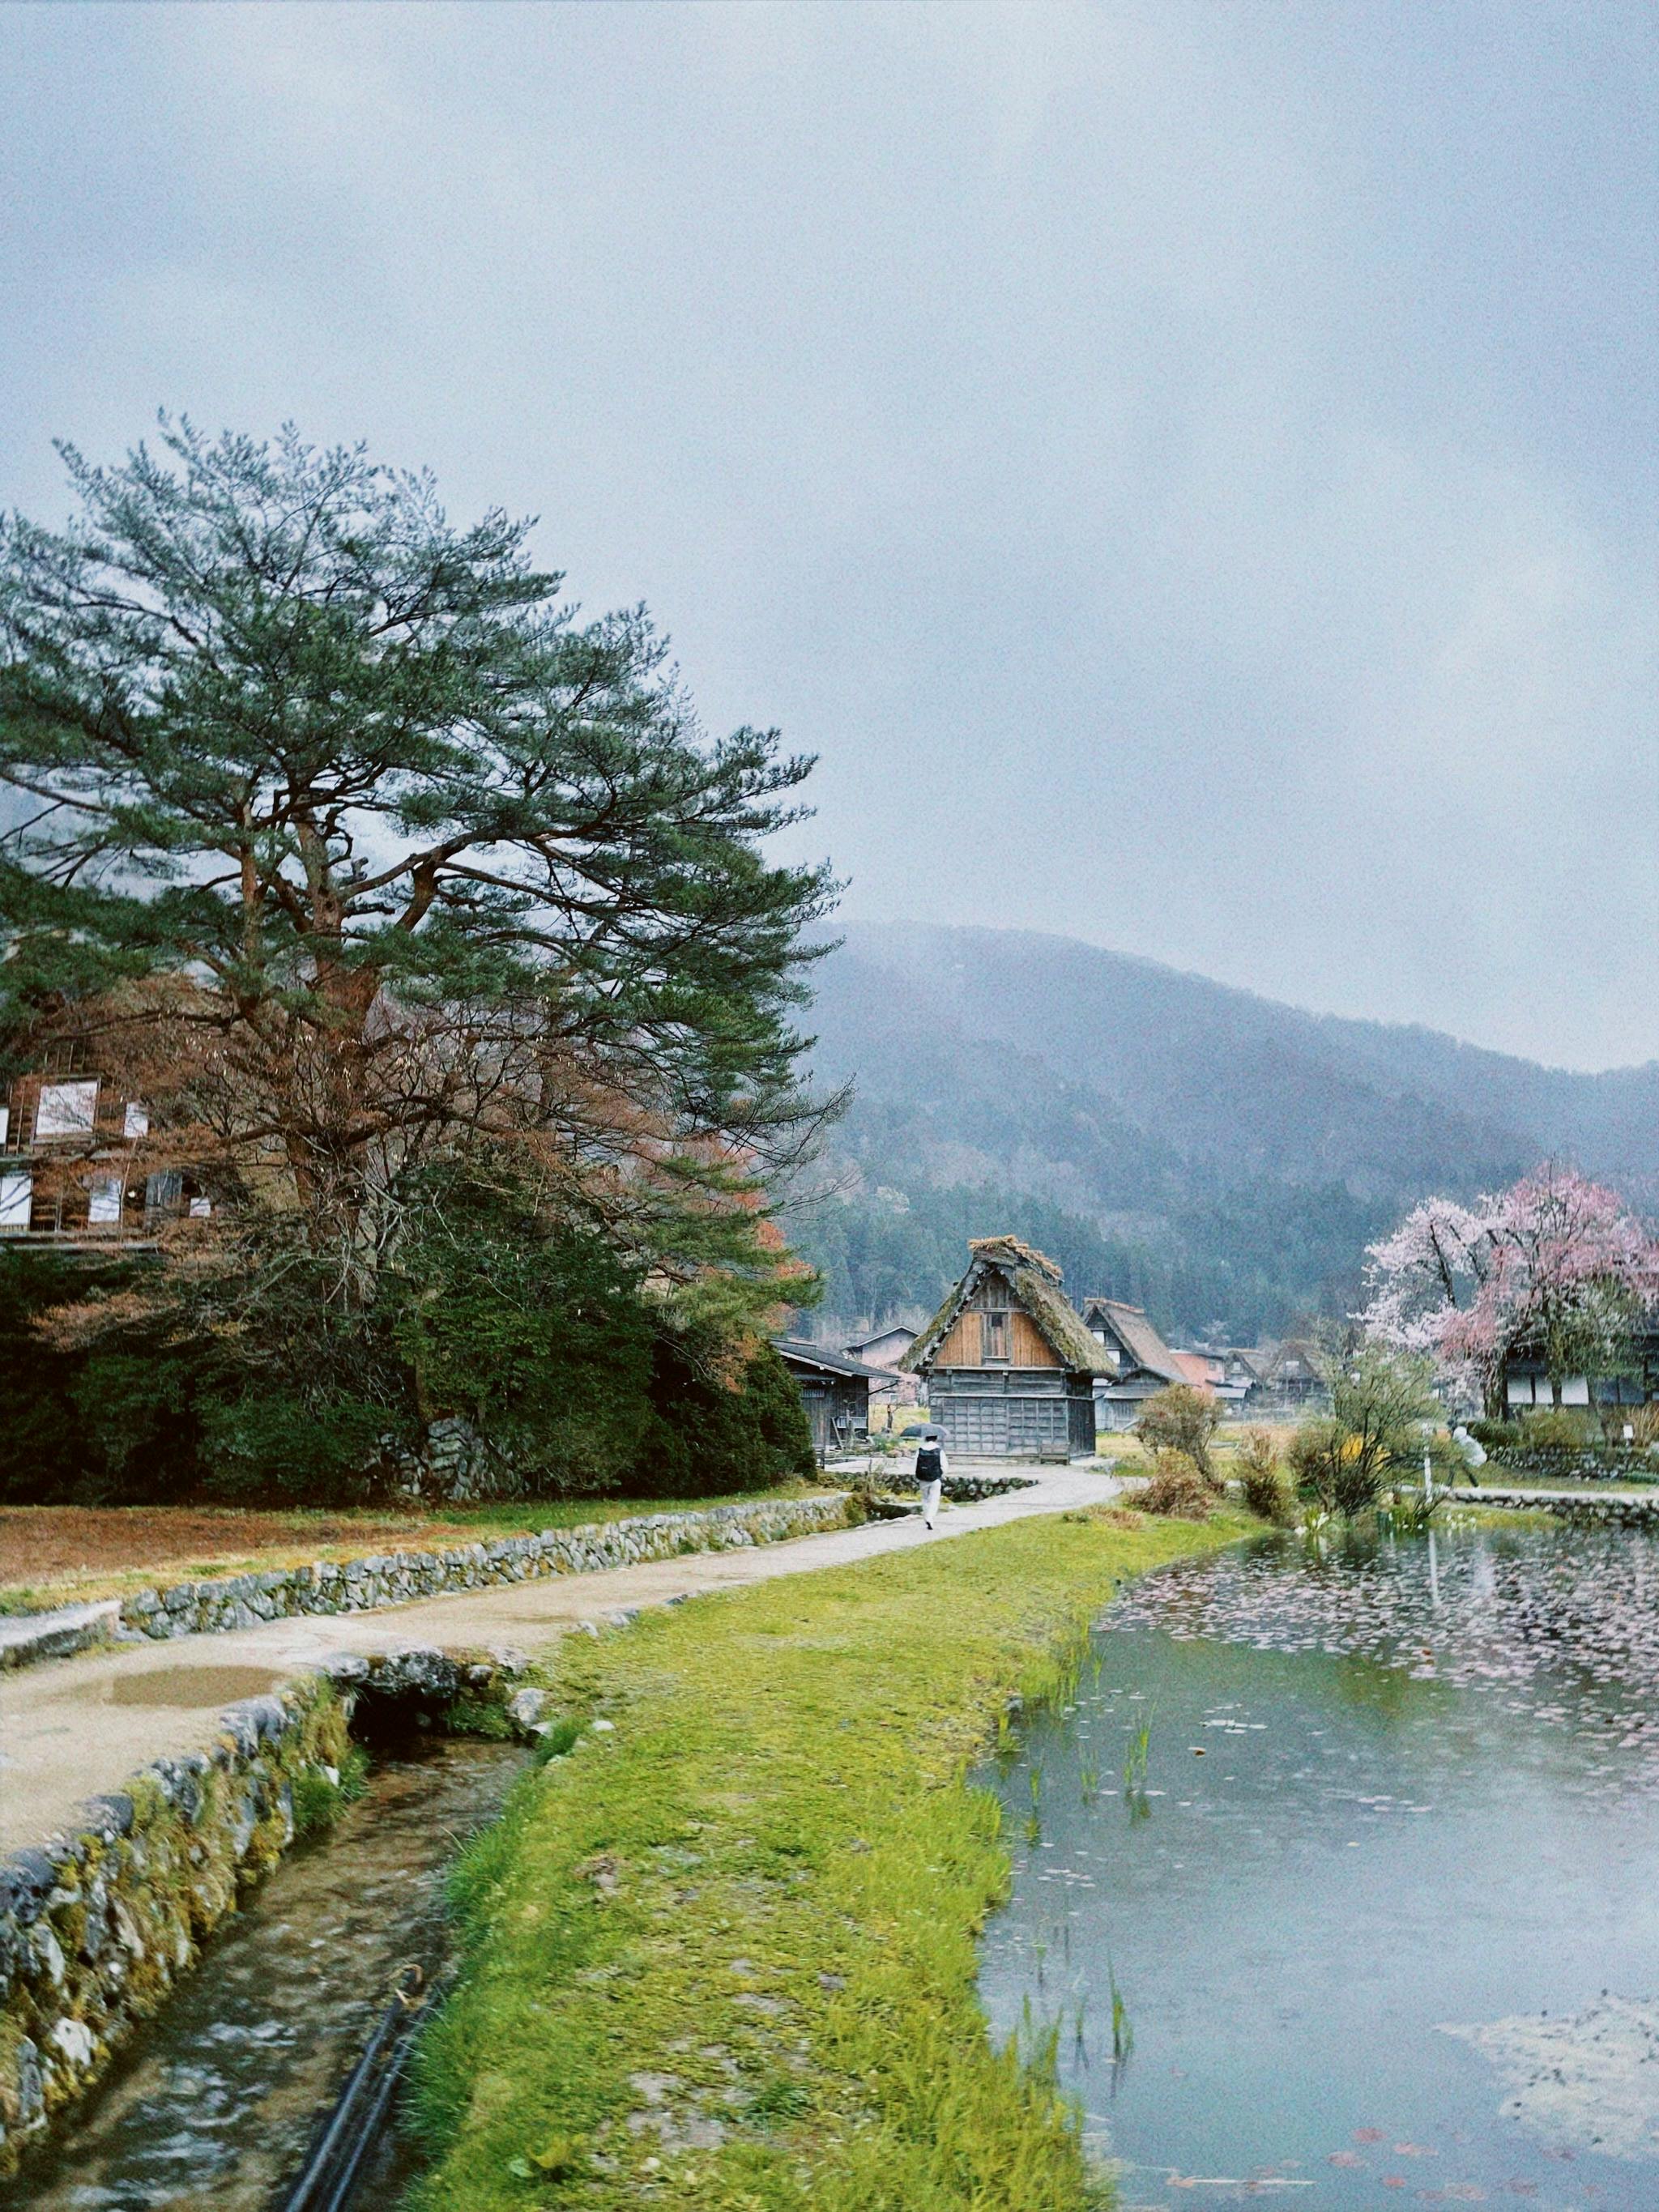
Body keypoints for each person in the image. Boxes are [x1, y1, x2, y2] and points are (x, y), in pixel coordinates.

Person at [914, 1428, 948, 1530]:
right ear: (936, 1438)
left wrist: (916, 1477)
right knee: (934, 1499)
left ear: (925, 1438)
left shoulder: (920, 1450)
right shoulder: (939, 1451)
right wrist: (942, 1474)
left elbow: (914, 1465)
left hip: (922, 1478)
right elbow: (944, 1466)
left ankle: (926, 1517)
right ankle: (930, 1518)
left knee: (925, 1499)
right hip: (935, 1479)